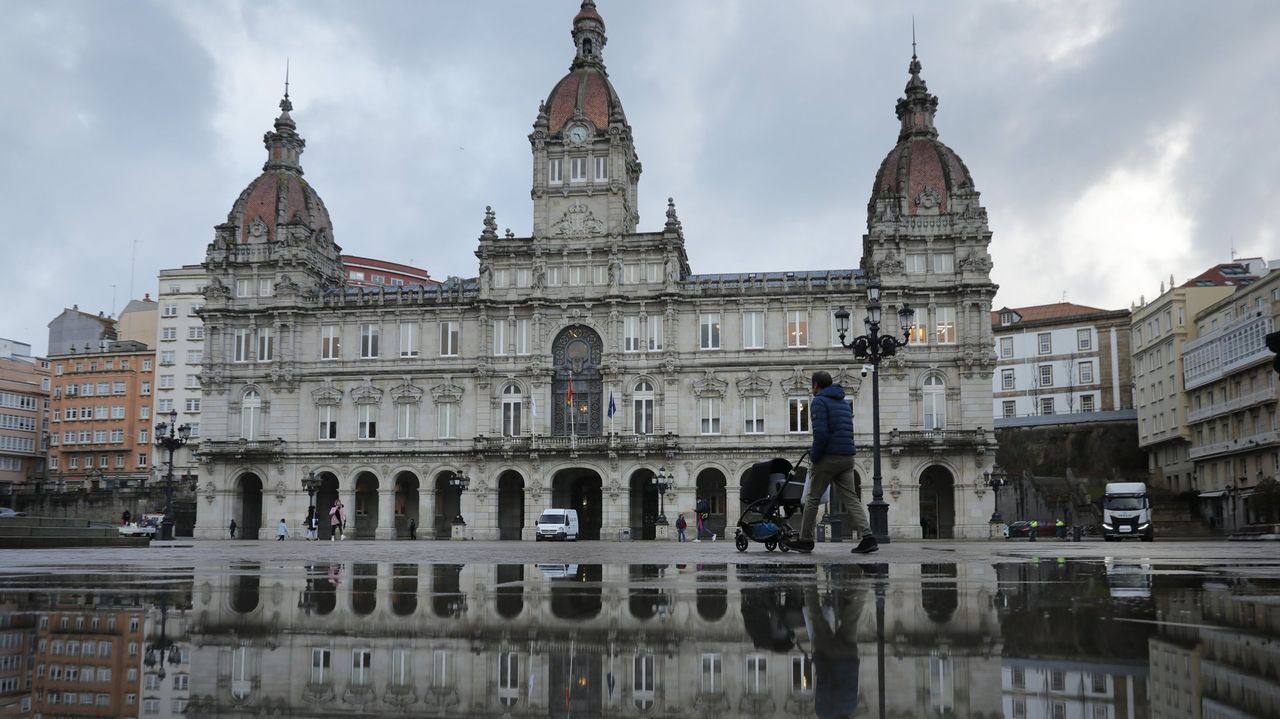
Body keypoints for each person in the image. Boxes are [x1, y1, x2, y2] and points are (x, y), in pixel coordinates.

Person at [787, 370, 876, 554]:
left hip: (829, 457)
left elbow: (821, 433)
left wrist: (815, 456)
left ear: (816, 385)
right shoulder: (843, 402)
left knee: (812, 498)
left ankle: (805, 539)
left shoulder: (819, 401)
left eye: (812, 385)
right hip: (847, 457)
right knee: (851, 498)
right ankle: (868, 537)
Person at [804, 570, 865, 719]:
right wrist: (817, 659)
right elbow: (824, 682)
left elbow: (852, 682)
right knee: (815, 615)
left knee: (852, 617)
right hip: (828, 654)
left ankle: (865, 584)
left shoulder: (850, 708)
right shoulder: (823, 713)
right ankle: (807, 581)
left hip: (848, 655)